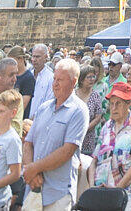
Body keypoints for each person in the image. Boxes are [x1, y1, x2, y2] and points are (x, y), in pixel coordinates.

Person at [23, 58, 91, 211]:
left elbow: (67, 151)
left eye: (60, 80)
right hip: (34, 188)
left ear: (73, 82)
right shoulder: (43, 108)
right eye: (54, 78)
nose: (55, 83)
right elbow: (28, 143)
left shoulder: (79, 111)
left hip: (58, 192)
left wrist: (34, 168)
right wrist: (31, 171)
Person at [92, 80, 131, 196]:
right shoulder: (107, 126)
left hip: (124, 193)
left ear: (128, 103)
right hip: (100, 191)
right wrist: (92, 188)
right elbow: (95, 159)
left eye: (118, 103)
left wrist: (117, 190)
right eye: (111, 103)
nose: (113, 107)